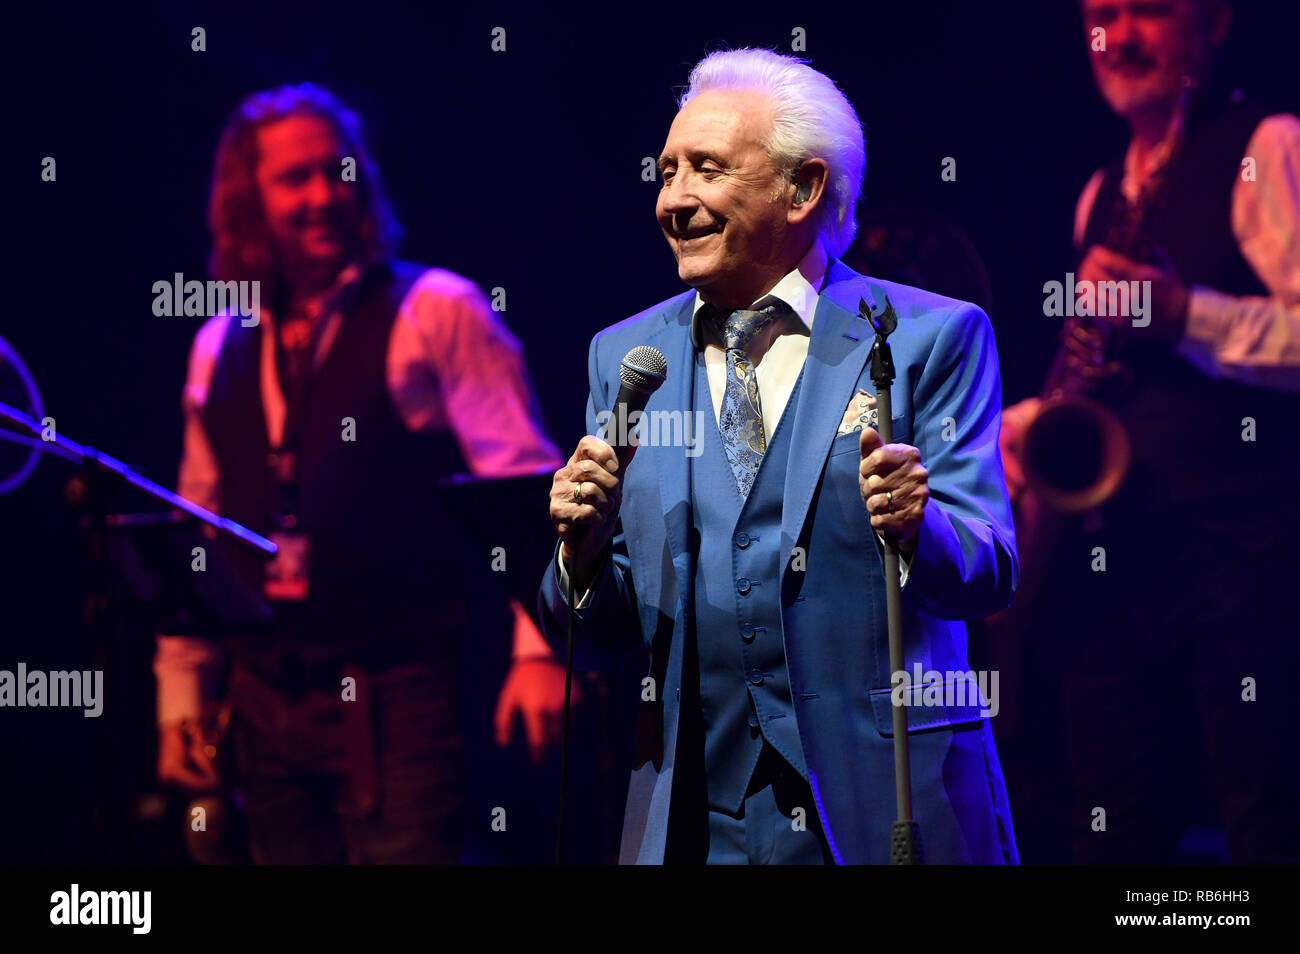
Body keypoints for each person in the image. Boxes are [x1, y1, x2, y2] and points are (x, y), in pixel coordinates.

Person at [539, 49, 1020, 864]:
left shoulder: (930, 337)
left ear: (804, 189)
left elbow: (989, 567)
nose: (675, 199)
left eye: (707, 169)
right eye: (666, 172)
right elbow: (602, 626)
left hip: (887, 801)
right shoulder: (624, 357)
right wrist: (580, 554)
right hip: (695, 816)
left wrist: (918, 526)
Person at [154, 83, 567, 864]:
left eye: (336, 171)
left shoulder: (437, 309)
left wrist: (541, 652)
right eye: (293, 178)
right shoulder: (218, 343)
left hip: (399, 692)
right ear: (249, 199)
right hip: (263, 699)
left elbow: (531, 493)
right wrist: (182, 698)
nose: (322, 195)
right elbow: (198, 532)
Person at [999, 0, 1300, 863]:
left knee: (1265, 823)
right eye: (1102, 14)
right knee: (1113, 828)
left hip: (1247, 565)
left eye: (1151, 10)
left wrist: (1183, 318)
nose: (1119, 37)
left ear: (1215, 20)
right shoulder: (1102, 194)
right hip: (1121, 573)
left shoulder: (1267, 145)